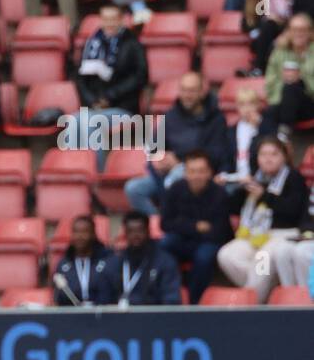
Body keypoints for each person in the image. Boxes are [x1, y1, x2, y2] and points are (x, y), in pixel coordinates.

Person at [217, 135, 308, 299]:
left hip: (283, 235)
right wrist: (234, 188)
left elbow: (292, 212)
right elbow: (233, 207)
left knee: (261, 263)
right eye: (263, 154)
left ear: (284, 157)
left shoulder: (294, 178)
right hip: (255, 235)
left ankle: (252, 305)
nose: (268, 159)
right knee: (226, 255)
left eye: (274, 154)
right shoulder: (254, 178)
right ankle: (265, 287)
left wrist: (264, 195)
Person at [125, 72, 229, 215]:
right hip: (165, 173)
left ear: (202, 93)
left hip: (196, 175)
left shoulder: (215, 119)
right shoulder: (171, 115)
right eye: (184, 90)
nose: (187, 95)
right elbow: (153, 147)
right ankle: (160, 220)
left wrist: (180, 162)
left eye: (192, 91)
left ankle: (171, 221)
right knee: (133, 189)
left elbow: (216, 154)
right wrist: (159, 160)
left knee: (175, 180)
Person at [75, 3, 148, 169]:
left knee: (91, 121)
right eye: (105, 19)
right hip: (94, 106)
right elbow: (80, 79)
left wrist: (109, 97)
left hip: (124, 107)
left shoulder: (132, 44)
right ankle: (80, 170)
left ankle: (96, 172)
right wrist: (93, 101)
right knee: (74, 120)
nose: (109, 23)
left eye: (113, 19)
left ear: (122, 20)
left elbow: (140, 77)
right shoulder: (92, 44)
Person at [159, 150, 235, 303]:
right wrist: (195, 226)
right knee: (165, 245)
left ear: (209, 173)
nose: (197, 176)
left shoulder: (219, 194)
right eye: (192, 171)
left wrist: (182, 225)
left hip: (210, 242)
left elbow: (219, 232)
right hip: (184, 239)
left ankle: (195, 303)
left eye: (201, 171)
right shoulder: (175, 189)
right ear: (185, 173)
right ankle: (170, 295)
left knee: (203, 256)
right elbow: (165, 224)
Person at [93, 211, 182, 306]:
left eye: (140, 230)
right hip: (118, 318)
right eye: (130, 231)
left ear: (148, 231)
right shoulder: (113, 262)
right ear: (125, 234)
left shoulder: (165, 262)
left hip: (153, 317)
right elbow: (103, 301)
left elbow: (171, 301)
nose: (135, 235)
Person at [263, 10, 314, 131]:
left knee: (292, 86)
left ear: (310, 32)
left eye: (303, 30)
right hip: (283, 103)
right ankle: (262, 145)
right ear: (289, 32)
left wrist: (302, 79)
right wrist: (284, 82)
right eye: (295, 30)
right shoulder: (279, 52)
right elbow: (270, 85)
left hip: (310, 104)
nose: (298, 34)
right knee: (271, 110)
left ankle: (284, 132)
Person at [52, 215, 106, 306]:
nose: (79, 236)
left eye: (84, 232)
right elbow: (59, 298)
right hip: (71, 316)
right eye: (76, 232)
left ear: (93, 234)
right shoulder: (63, 264)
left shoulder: (106, 261)